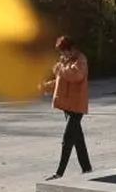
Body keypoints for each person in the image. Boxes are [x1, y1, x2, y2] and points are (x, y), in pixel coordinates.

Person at [39, 35, 92, 179]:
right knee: (77, 139)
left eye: (64, 51)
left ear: (72, 49)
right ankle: (87, 169)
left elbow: (77, 76)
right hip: (67, 106)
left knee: (68, 139)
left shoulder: (81, 60)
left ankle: (59, 173)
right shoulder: (64, 62)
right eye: (61, 52)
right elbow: (60, 81)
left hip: (77, 106)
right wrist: (45, 87)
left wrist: (59, 69)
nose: (63, 55)